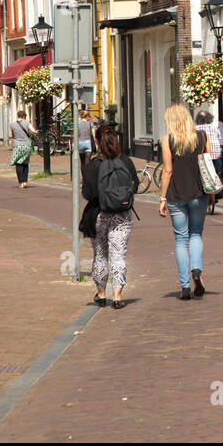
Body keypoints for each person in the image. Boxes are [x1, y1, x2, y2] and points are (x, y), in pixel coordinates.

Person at [84, 127, 139, 309]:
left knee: (100, 254)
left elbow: (88, 193)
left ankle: (101, 294)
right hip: (122, 215)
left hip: (99, 215)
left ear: (98, 142)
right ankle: (117, 296)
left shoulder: (94, 164)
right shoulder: (126, 162)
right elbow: (135, 187)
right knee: (118, 255)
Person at [160, 103, 210, 300]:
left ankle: (184, 286)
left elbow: (167, 170)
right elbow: (207, 165)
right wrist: (211, 193)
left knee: (181, 239)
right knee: (196, 233)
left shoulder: (167, 140)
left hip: (176, 195)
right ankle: (196, 270)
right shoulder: (201, 137)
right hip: (199, 192)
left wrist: (162, 198)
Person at [195, 109, 223, 212]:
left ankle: (205, 196)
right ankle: (213, 194)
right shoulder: (214, 128)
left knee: (200, 177)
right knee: (214, 173)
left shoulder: (195, 129)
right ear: (210, 118)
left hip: (202, 157)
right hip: (215, 156)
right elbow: (219, 141)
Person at [8, 110, 37, 188]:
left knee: (18, 164)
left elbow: (10, 136)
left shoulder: (12, 124)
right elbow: (34, 131)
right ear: (24, 116)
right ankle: (25, 181)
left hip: (17, 146)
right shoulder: (27, 122)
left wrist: (15, 135)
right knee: (25, 163)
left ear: (18, 116)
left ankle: (21, 182)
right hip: (27, 145)